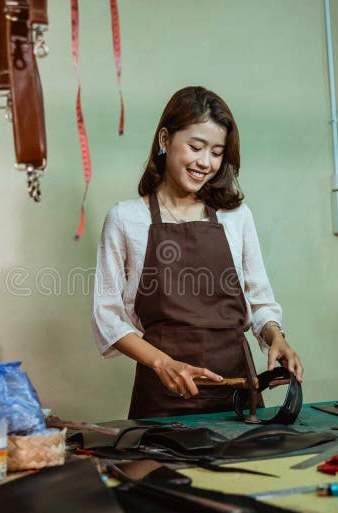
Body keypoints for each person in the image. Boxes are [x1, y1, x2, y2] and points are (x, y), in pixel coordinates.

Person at [91, 86, 303, 419]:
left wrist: (276, 337)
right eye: (196, 147)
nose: (205, 162)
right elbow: (107, 315)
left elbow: (259, 302)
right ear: (164, 139)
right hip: (162, 395)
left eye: (217, 152)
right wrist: (162, 363)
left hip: (237, 394)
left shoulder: (237, 218)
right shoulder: (126, 219)